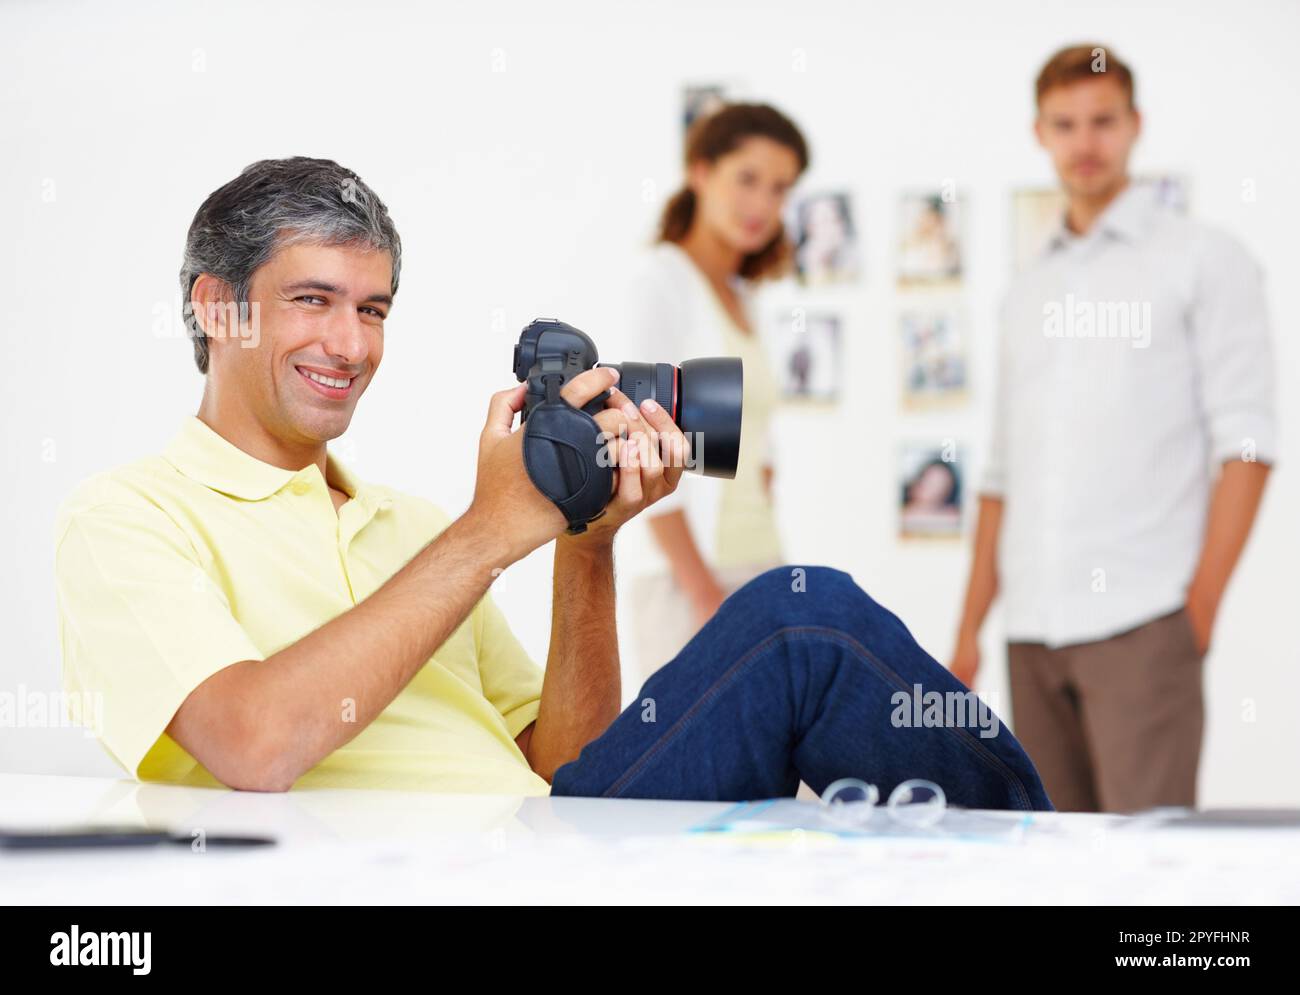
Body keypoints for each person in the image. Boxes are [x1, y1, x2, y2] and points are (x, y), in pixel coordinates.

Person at [53, 156, 1052, 809]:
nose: (350, 344)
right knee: (801, 620)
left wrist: (586, 540)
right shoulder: (128, 518)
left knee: (807, 624)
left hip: (550, 843)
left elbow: (559, 758)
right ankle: (1065, 869)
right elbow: (255, 742)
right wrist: (491, 531)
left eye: (373, 308)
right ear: (218, 309)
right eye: (312, 300)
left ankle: (1042, 870)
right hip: (442, 874)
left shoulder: (411, 524)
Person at [952, 45, 1276, 813]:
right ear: (1040, 132)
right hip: (1031, 631)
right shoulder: (1027, 289)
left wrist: (1193, 618)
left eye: (1103, 121)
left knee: (1148, 875)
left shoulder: (1205, 258)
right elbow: (1001, 474)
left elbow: (1249, 444)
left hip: (1143, 625)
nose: (1085, 142)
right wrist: (968, 634)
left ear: (1136, 126)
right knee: (1056, 869)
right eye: (1065, 124)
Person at [621, 103, 807, 685]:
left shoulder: (742, 296)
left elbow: (756, 428)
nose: (762, 205)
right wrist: (701, 590)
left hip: (759, 561)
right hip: (692, 581)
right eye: (747, 179)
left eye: (780, 189)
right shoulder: (661, 282)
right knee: (699, 772)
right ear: (700, 172)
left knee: (784, 771)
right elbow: (640, 435)